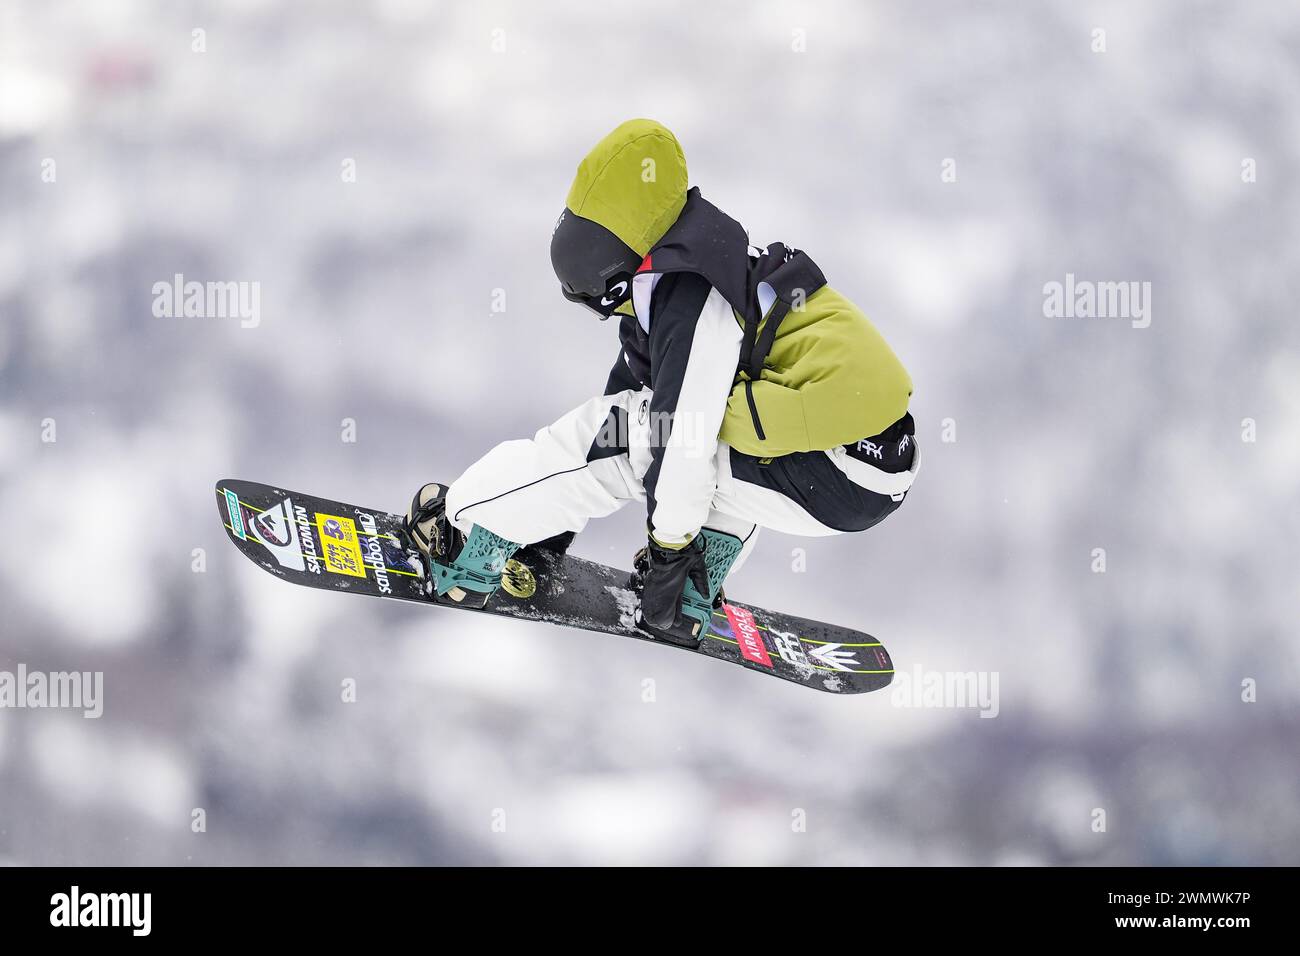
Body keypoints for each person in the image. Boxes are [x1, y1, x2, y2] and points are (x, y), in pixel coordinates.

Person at [402, 119, 918, 646]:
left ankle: (463, 538)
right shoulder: (706, 257)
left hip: (836, 466)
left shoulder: (691, 295)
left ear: (619, 272)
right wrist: (551, 518)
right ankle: (696, 584)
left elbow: (668, 436)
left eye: (599, 298)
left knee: (651, 435)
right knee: (680, 421)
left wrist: (668, 549)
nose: (605, 312)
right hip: (874, 465)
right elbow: (630, 395)